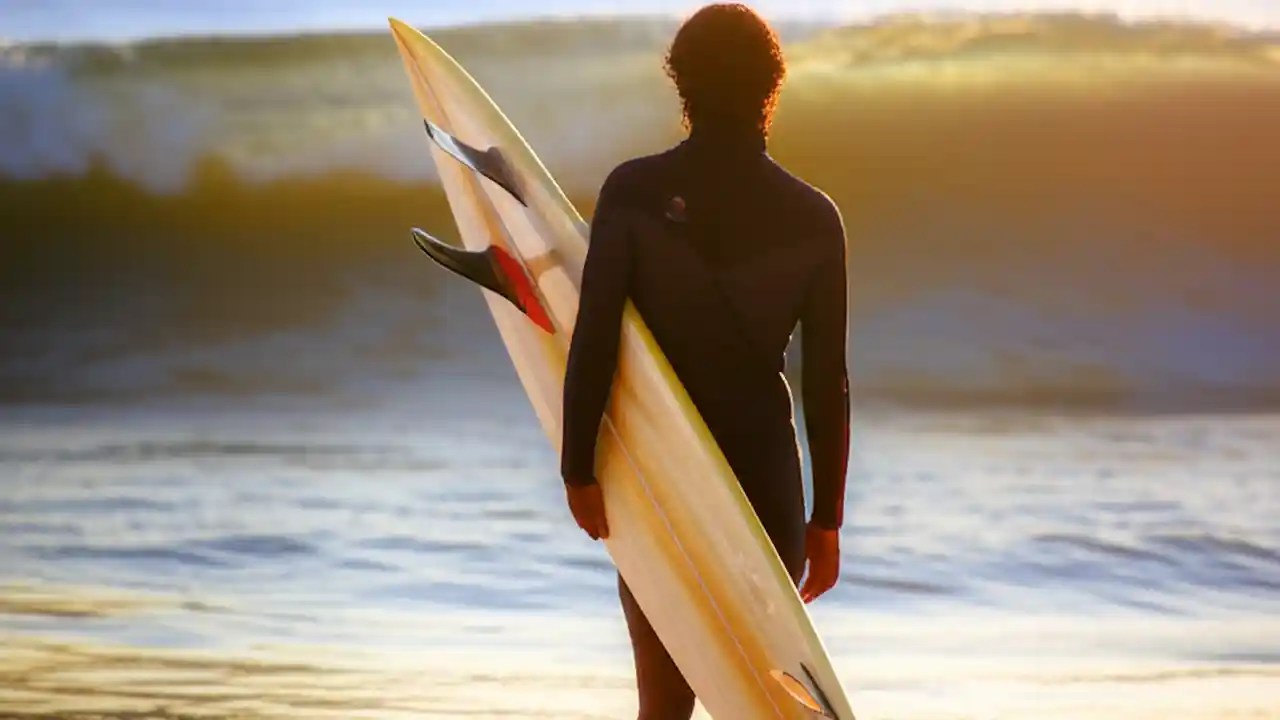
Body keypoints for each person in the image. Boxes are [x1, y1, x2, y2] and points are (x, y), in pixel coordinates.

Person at [559, 4, 850, 718]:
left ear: (681, 83)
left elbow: (594, 334)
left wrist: (579, 466)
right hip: (766, 485)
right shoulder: (814, 217)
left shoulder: (632, 193)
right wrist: (825, 519)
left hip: (662, 472)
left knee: (663, 709)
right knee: (762, 703)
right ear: (771, 87)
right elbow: (825, 383)